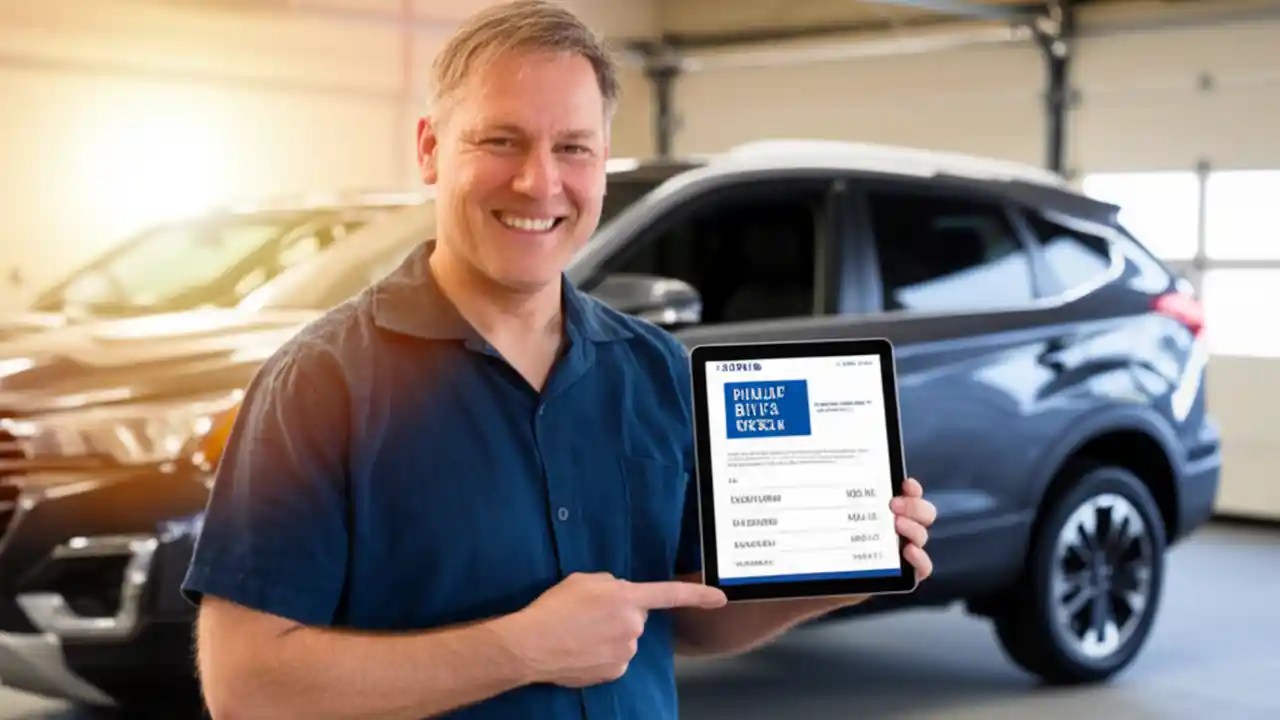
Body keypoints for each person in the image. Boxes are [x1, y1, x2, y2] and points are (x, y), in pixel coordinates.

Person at [182, 1, 938, 718]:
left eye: (572, 148)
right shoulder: (318, 385)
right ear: (429, 149)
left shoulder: (653, 370)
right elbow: (248, 687)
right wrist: (521, 649)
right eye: (500, 140)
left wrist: (842, 569)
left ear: (602, 162)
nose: (539, 182)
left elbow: (691, 616)